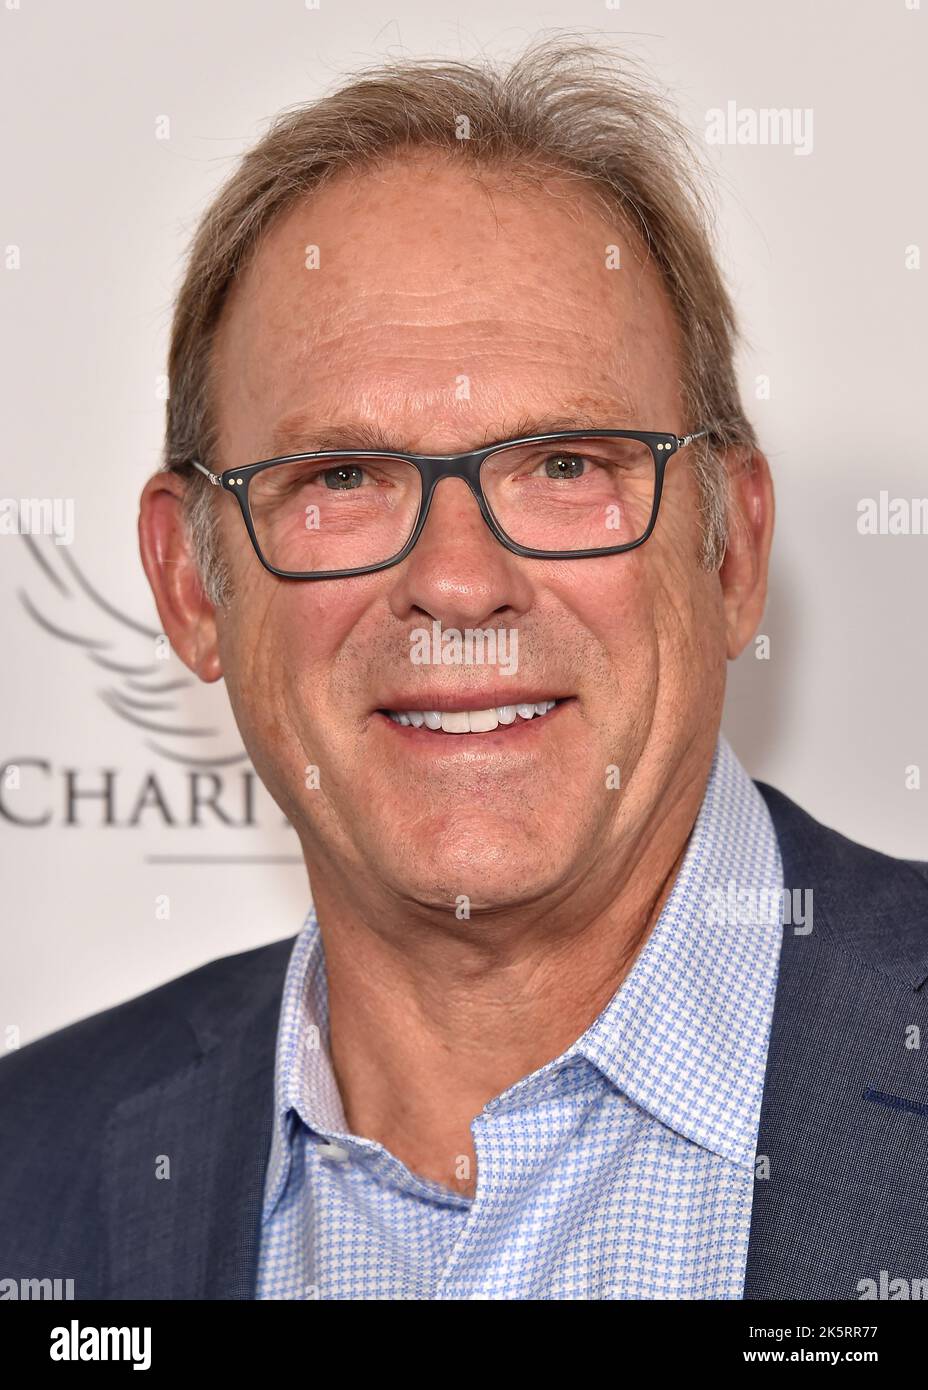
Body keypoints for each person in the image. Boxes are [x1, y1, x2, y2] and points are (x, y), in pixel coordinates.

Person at [2, 38, 927, 1302]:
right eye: (339, 477)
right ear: (189, 584)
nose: (457, 580)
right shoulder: (27, 1174)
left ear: (732, 550)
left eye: (563, 464)